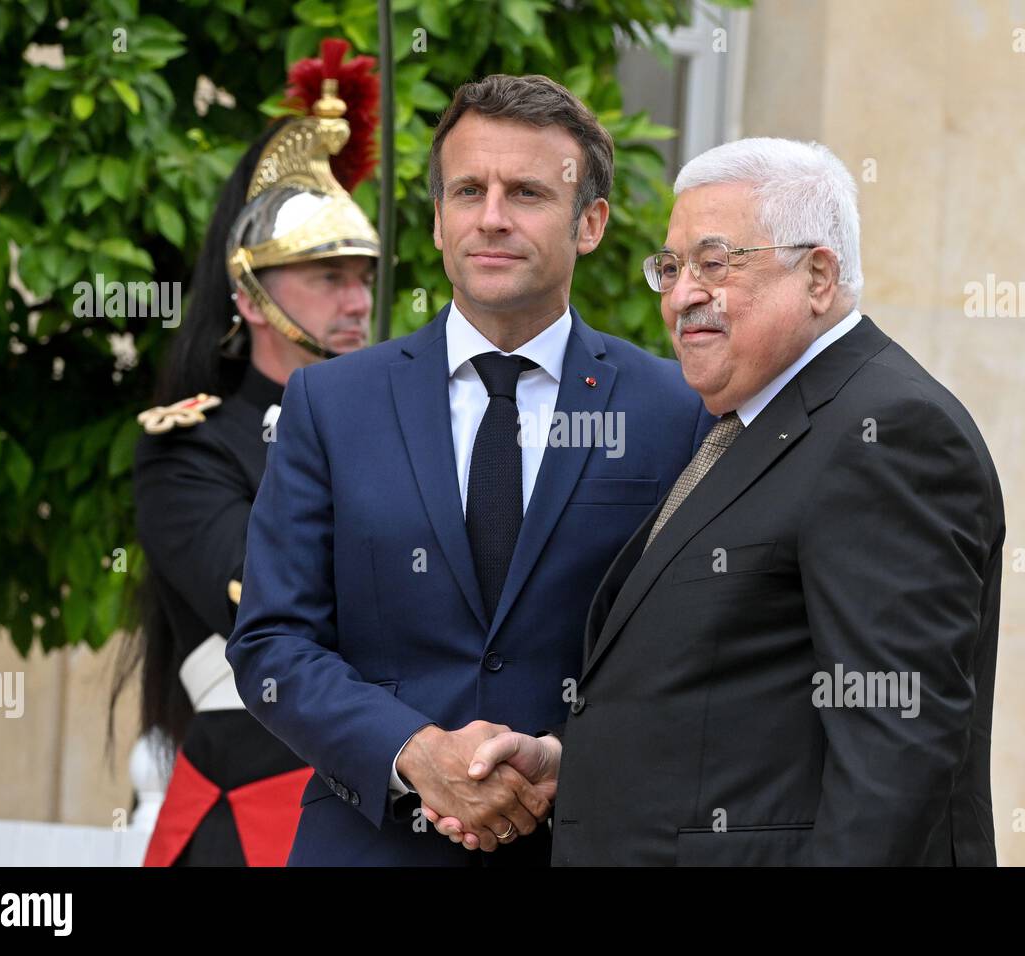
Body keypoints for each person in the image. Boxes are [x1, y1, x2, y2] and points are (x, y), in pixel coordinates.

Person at [444, 137, 1005, 866]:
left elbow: (895, 752)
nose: (682, 295)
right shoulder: (747, 424)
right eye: (671, 268)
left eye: (715, 263)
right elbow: (734, 699)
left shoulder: (884, 433)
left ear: (818, 276)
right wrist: (574, 762)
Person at [225, 73, 711, 866]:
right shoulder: (331, 403)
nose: (492, 219)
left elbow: (698, 651)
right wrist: (416, 752)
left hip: (589, 843)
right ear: (437, 223)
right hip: (370, 846)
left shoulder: (675, 408)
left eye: (526, 192)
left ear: (589, 223)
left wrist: (566, 759)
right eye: (467, 191)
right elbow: (273, 642)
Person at [116, 39, 381, 866]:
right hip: (260, 818)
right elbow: (270, 602)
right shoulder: (191, 444)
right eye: (328, 275)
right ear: (251, 297)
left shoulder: (397, 430)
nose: (358, 301)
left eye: (365, 276)